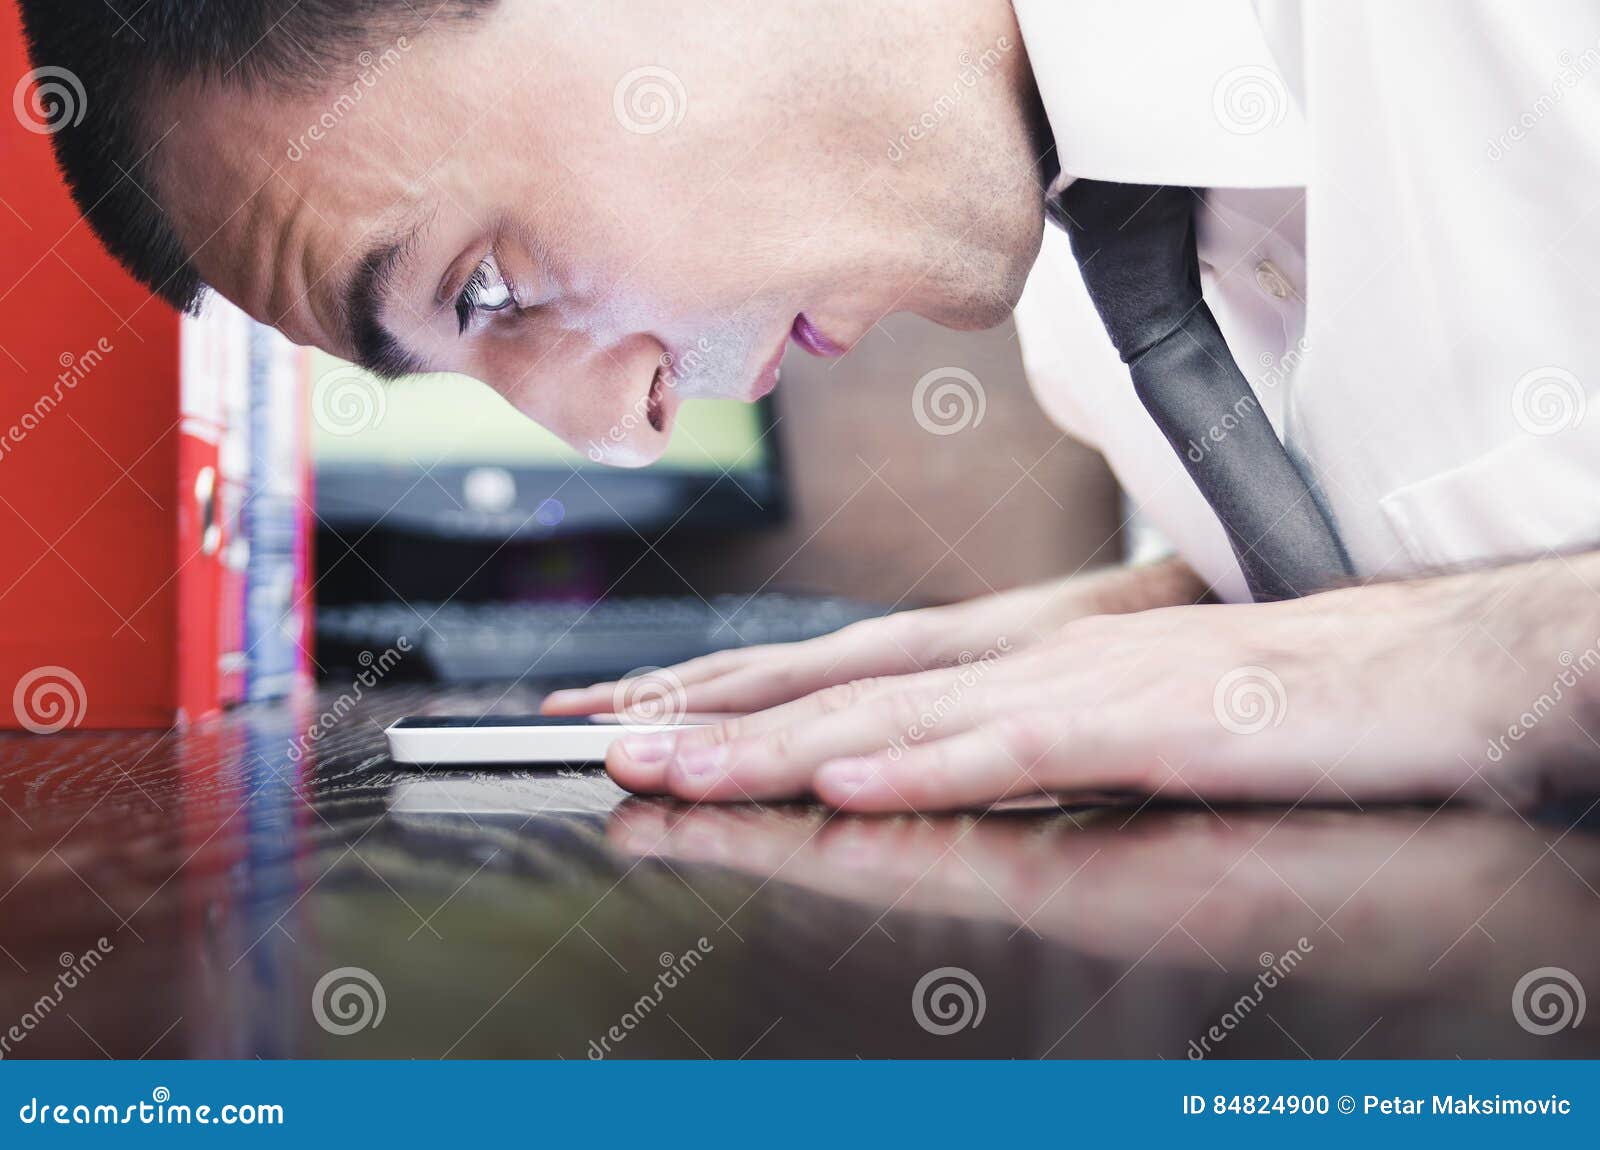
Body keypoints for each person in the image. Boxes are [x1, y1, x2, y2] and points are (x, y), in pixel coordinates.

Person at [18, 0, 1600, 812]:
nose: (625, 434)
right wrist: (1181, 614)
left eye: (491, 288)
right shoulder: (1086, 321)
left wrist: (1505, 652)